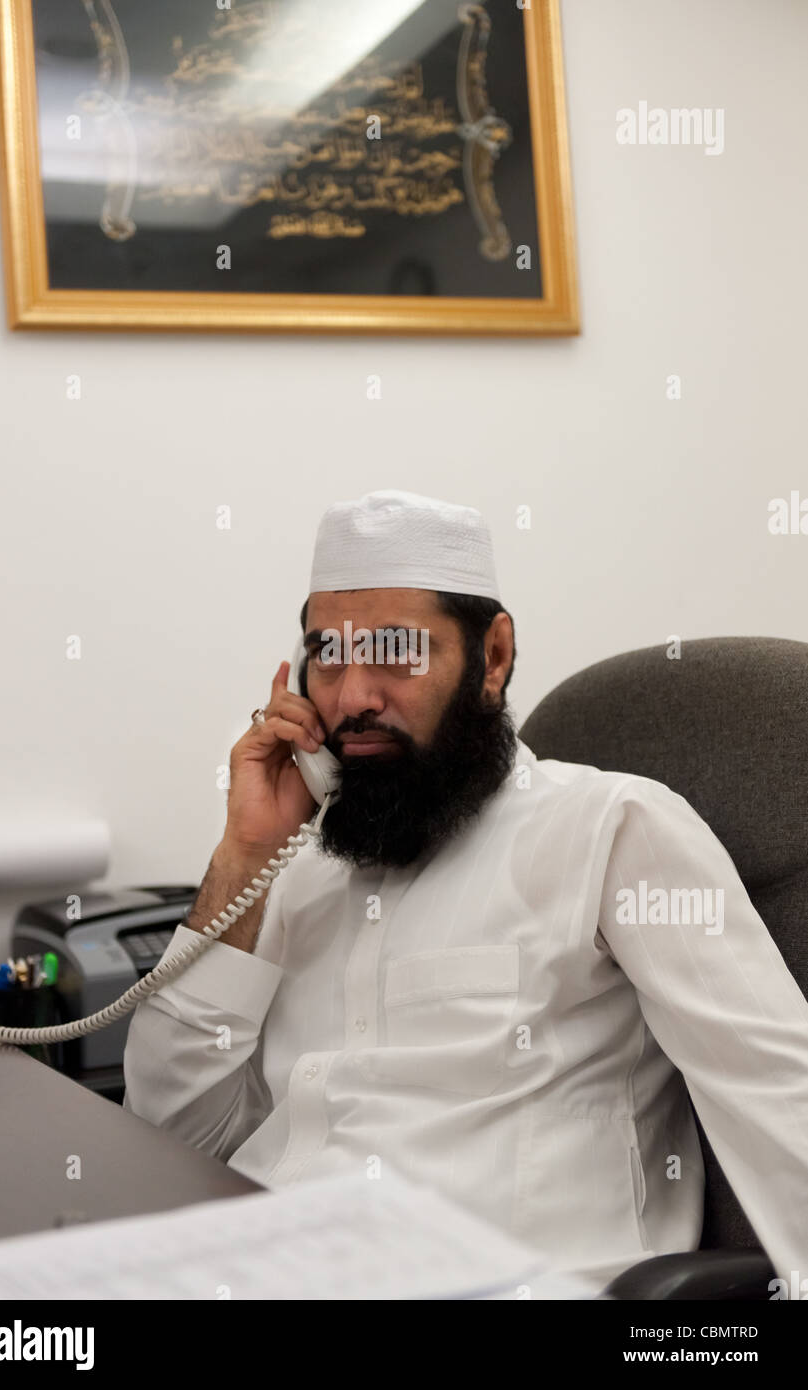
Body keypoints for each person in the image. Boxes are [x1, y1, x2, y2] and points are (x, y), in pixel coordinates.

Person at [123, 489, 808, 1294]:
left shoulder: (610, 829)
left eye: (394, 653)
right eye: (329, 654)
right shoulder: (295, 868)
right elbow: (170, 1136)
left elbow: (779, 1096)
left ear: (491, 658)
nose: (351, 697)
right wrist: (243, 853)